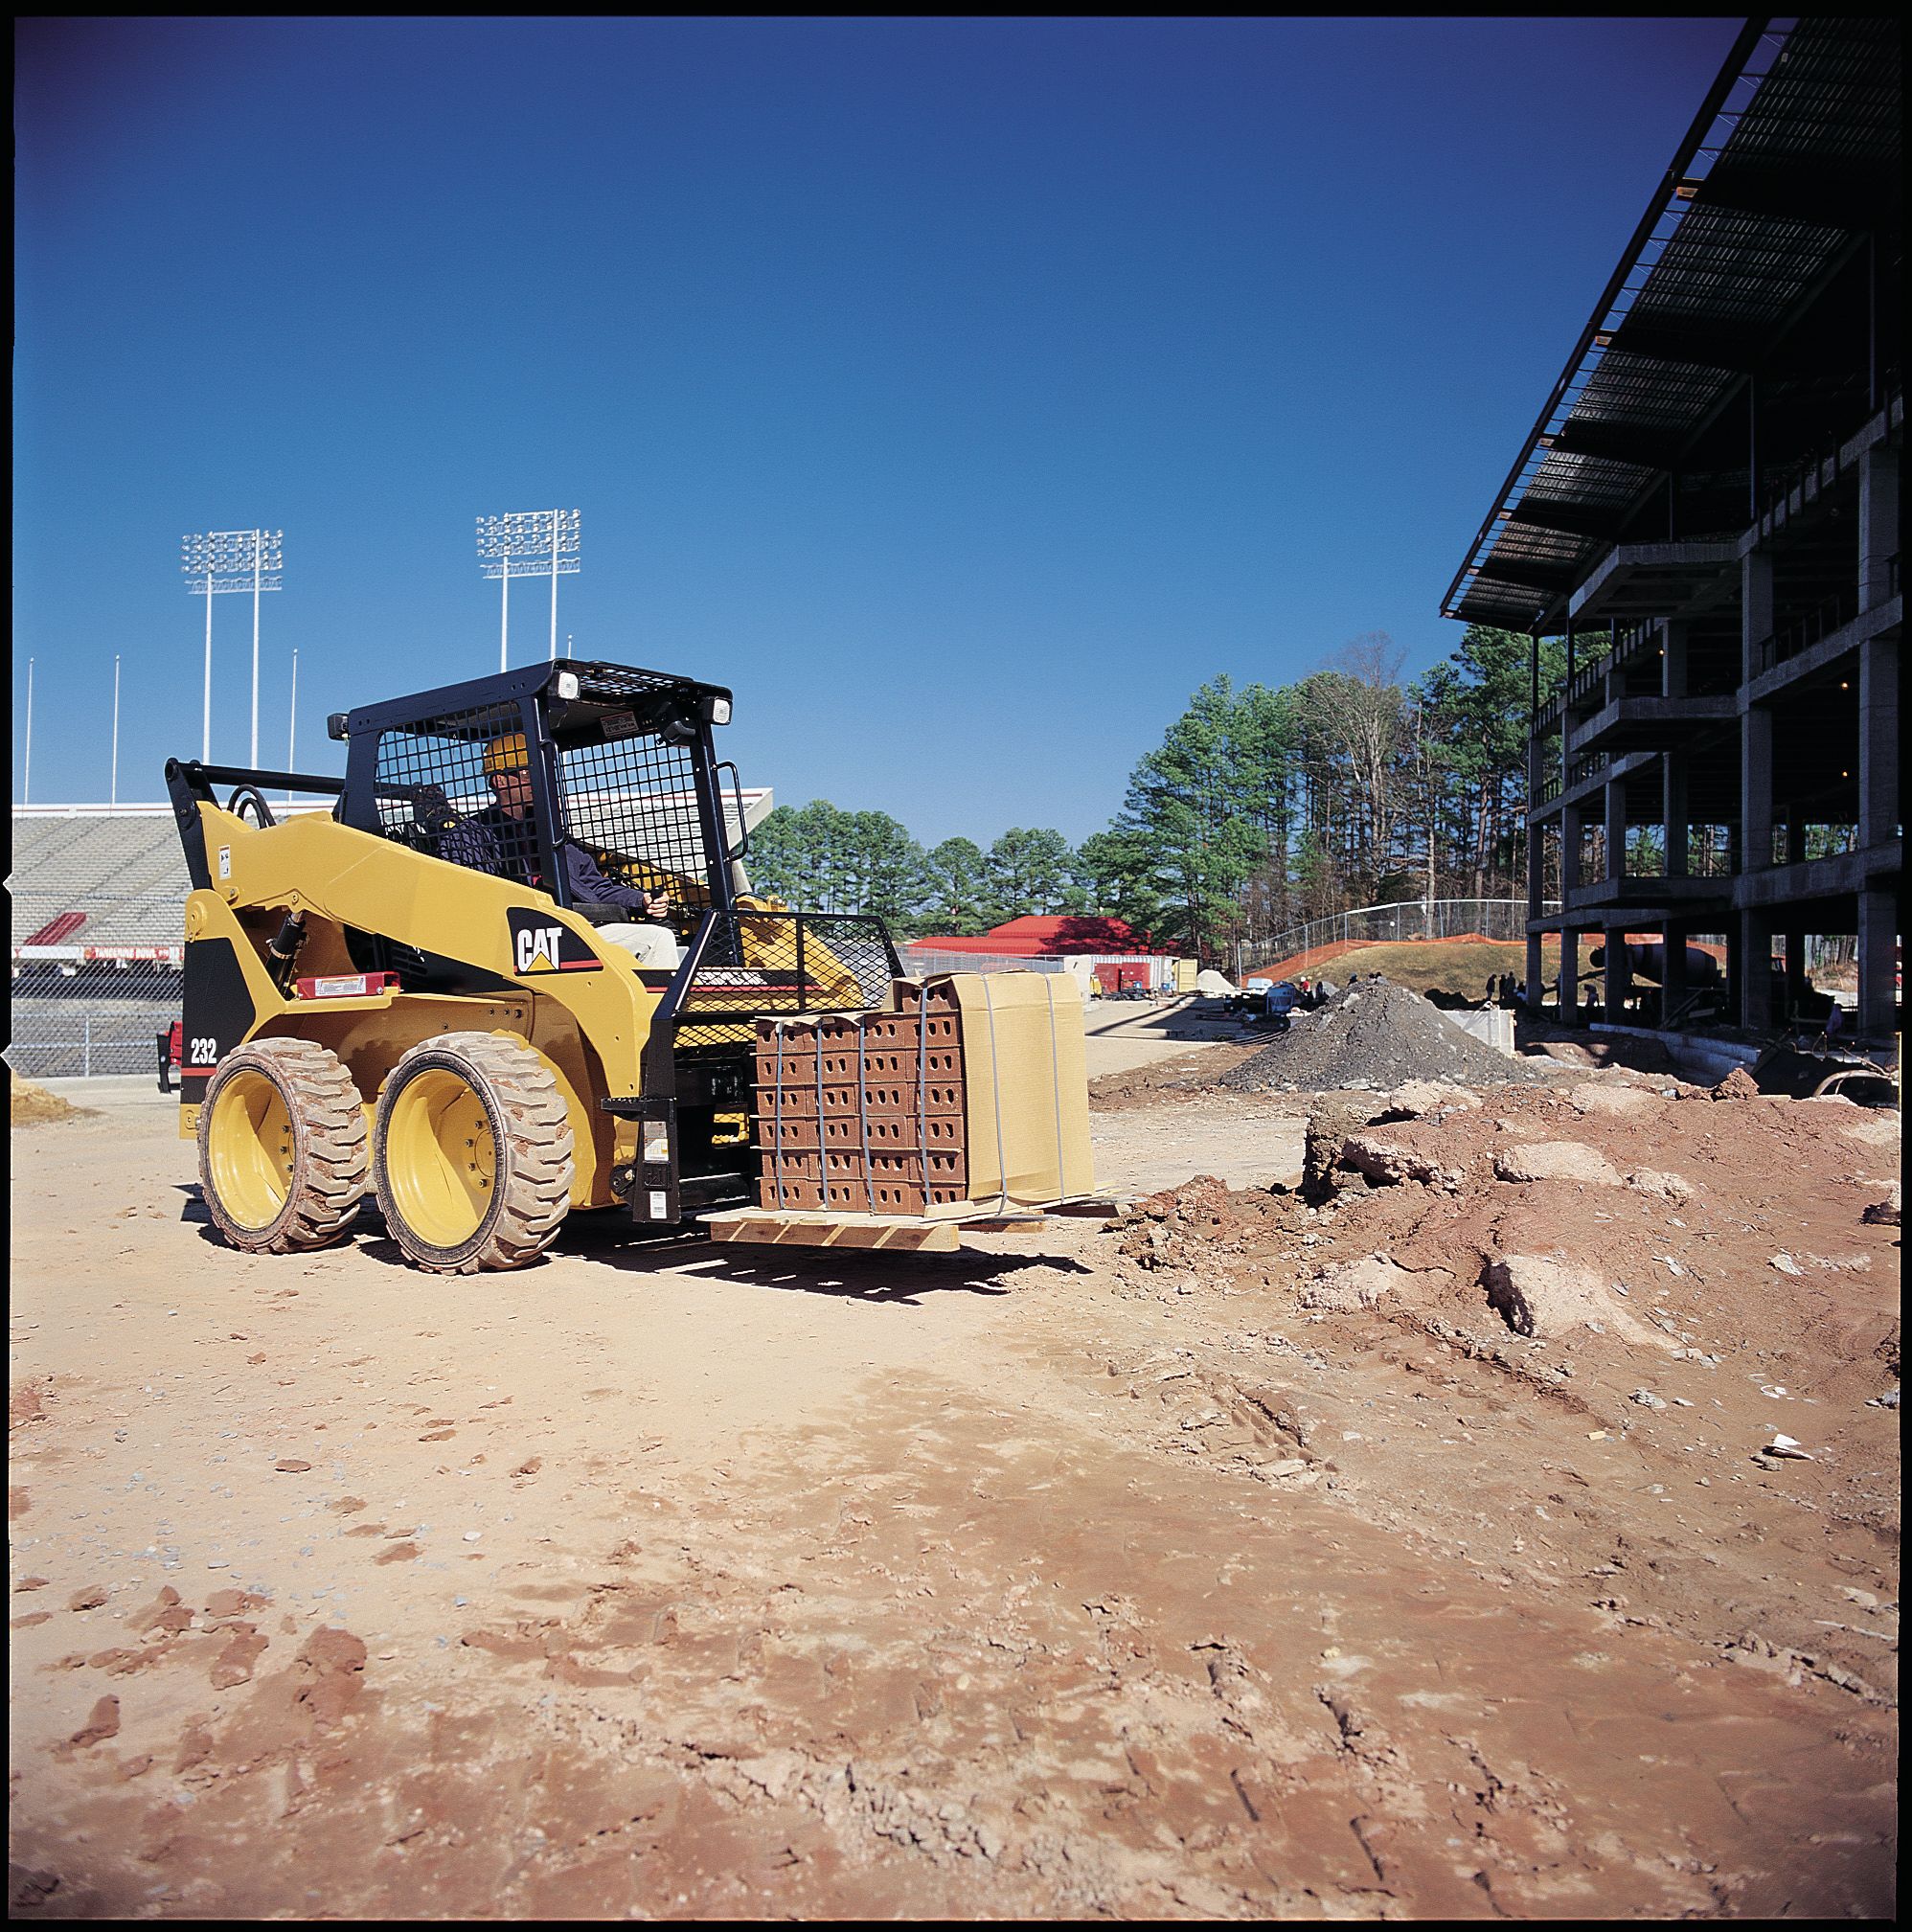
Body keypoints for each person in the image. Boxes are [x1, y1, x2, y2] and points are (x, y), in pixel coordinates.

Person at [435, 734, 684, 968]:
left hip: (573, 929)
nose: (535, 780)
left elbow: (595, 887)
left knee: (676, 942)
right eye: (525, 773)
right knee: (656, 940)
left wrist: (639, 900)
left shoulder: (553, 837)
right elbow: (476, 901)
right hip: (519, 938)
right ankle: (658, 1015)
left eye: (538, 772)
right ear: (499, 780)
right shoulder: (469, 837)